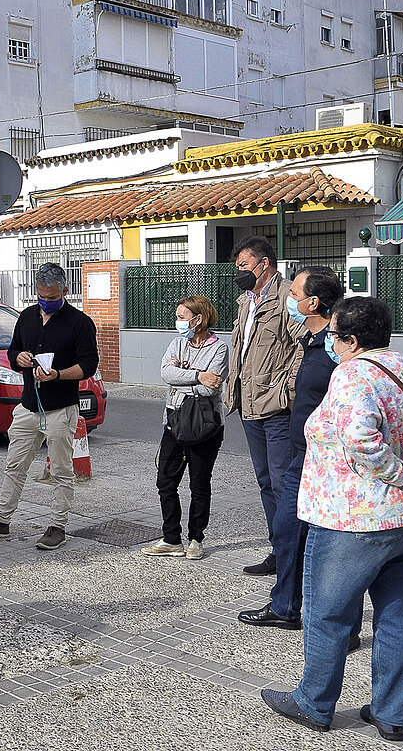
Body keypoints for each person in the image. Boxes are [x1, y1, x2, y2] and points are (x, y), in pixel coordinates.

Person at [262, 296, 403, 742]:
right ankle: (391, 712)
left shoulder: (351, 374)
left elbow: (362, 442)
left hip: (358, 518)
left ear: (349, 339)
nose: (329, 343)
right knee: (400, 614)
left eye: (333, 335)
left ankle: (314, 702)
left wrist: (400, 476)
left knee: (328, 614)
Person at [0, 262, 99, 551]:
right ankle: (1, 520)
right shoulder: (26, 317)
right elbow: (12, 350)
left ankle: (57, 526)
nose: (46, 302)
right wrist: (19, 358)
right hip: (28, 406)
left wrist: (59, 374)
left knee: (62, 471)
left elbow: (89, 365)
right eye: (41, 296)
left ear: (65, 291)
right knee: (15, 465)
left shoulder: (80, 323)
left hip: (61, 407)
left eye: (52, 297)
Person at [240, 267, 345, 630]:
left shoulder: (338, 349)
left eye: (295, 293)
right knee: (289, 531)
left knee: (316, 539)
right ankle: (286, 605)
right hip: (303, 454)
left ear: (313, 303)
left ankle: (331, 623)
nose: (290, 299)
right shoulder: (314, 342)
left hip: (326, 459)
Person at [224, 237, 303, 576]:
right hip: (247, 402)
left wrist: (287, 387)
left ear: (264, 263)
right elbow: (241, 346)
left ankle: (292, 554)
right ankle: (278, 549)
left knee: (282, 481)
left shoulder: (287, 297)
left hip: (276, 406)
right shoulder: (246, 300)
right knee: (264, 479)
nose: (240, 272)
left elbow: (303, 344)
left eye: (244, 266)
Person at [141, 295, 229, 560]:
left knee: (199, 483)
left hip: (204, 424)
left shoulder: (219, 348)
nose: (178, 322)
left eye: (182, 317)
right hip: (174, 420)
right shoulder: (177, 343)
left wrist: (186, 376)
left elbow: (209, 387)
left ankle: (195, 539)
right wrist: (197, 374)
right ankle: (171, 538)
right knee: (165, 481)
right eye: (178, 316)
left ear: (198, 319)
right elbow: (166, 374)